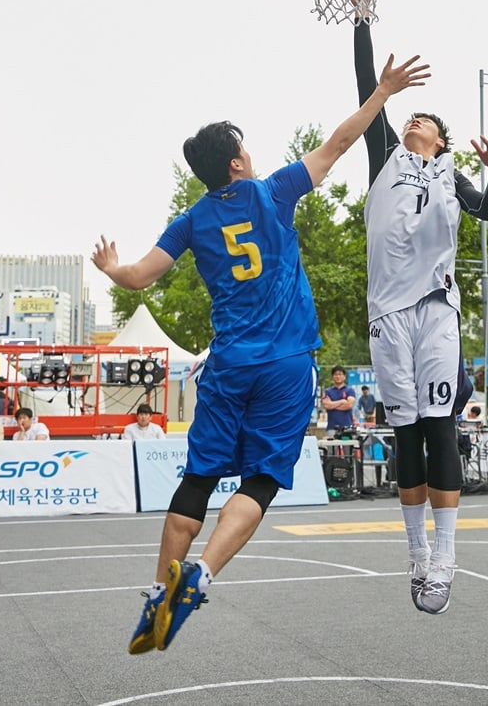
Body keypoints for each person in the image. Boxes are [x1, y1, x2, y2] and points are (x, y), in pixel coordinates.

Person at [92, 45, 428, 655]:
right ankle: (203, 577)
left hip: (228, 366)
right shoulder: (274, 192)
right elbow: (337, 144)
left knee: (197, 480)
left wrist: (113, 268)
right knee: (263, 482)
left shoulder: (190, 220)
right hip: (285, 365)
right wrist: (381, 94)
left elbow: (140, 276)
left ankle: (159, 592)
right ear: (238, 163)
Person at [352, 15, 488, 615]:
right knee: (407, 432)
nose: (417, 122)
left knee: (441, 427)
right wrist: (361, 15)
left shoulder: (450, 173)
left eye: (427, 121)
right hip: (388, 312)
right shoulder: (385, 153)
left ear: (440, 140)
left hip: (437, 309)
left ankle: (444, 558)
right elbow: (366, 86)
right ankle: (416, 554)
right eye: (412, 117)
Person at [322, 366, 356, 437]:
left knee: (347, 447)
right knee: (331, 447)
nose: (338, 376)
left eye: (340, 374)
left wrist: (332, 405)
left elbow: (349, 405)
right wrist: (342, 401)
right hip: (332, 427)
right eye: (335, 374)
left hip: (347, 427)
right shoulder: (328, 391)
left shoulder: (349, 390)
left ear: (344, 376)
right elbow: (326, 405)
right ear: (332, 377)